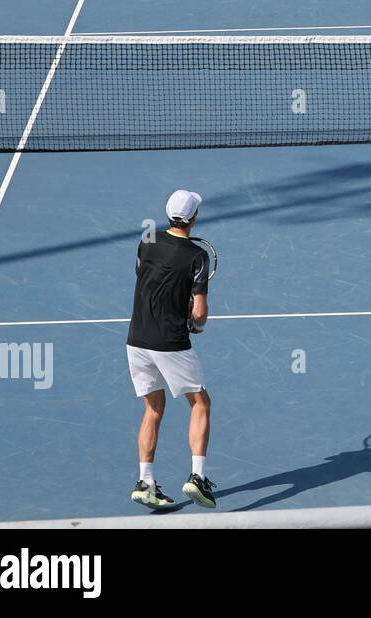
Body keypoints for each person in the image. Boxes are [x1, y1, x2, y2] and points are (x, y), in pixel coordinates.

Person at [127, 189, 216, 510]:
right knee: (200, 402)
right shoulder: (197, 257)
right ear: (194, 218)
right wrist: (198, 324)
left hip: (136, 339)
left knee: (153, 408)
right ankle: (197, 477)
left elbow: (146, 276)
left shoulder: (147, 240)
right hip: (170, 342)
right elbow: (199, 312)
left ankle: (145, 481)